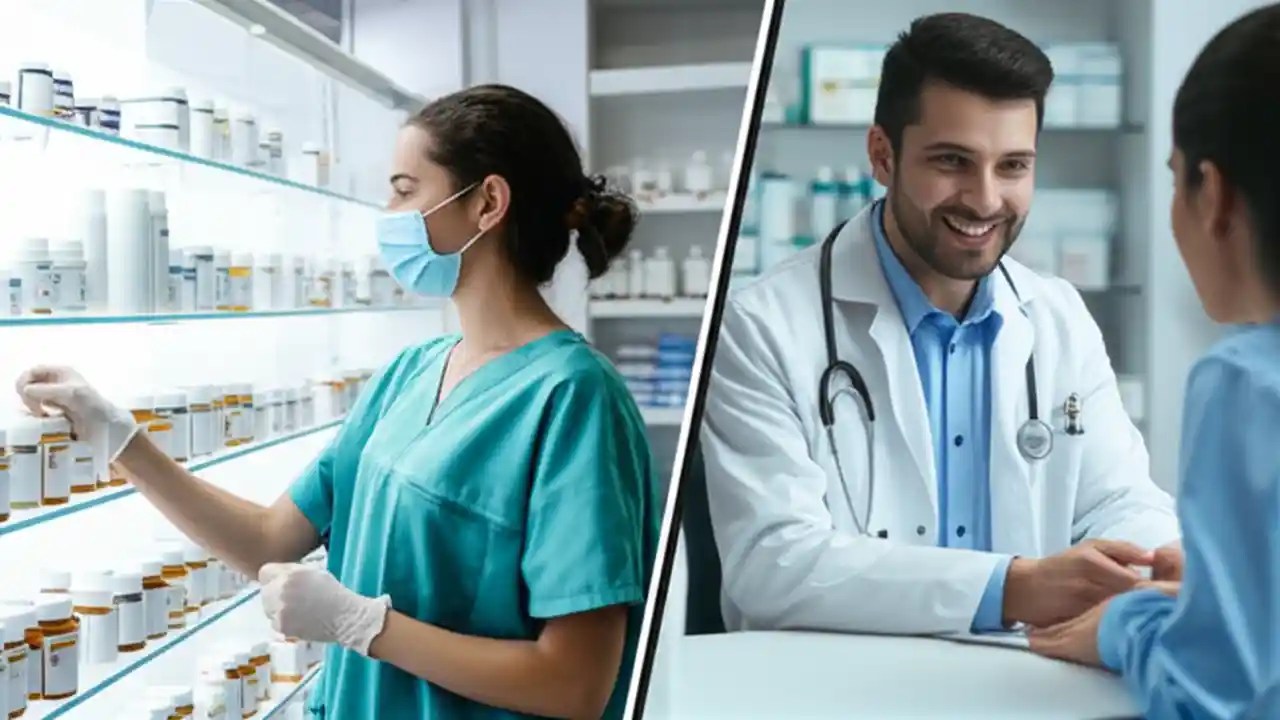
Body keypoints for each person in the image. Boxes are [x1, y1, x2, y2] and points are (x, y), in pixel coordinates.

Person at [15, 84, 660, 720]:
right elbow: (270, 539)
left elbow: (575, 685)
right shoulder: (412, 373)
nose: (388, 211)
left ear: (487, 202)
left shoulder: (574, 400)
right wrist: (120, 440)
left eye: (405, 190)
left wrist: (363, 625)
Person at [700, 12, 1181, 636]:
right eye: (953, 161)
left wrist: (1160, 561)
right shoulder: (762, 325)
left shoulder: (1058, 317)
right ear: (882, 154)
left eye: (1013, 166)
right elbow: (772, 564)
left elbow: (1119, 499)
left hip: (1021, 683)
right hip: (837, 690)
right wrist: (1012, 588)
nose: (984, 200)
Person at [1029, 6, 1280, 717]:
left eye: (1174, 180)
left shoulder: (1248, 384)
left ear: (1215, 193)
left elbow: (1210, 702)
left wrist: (1124, 624)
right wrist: (1217, 594)